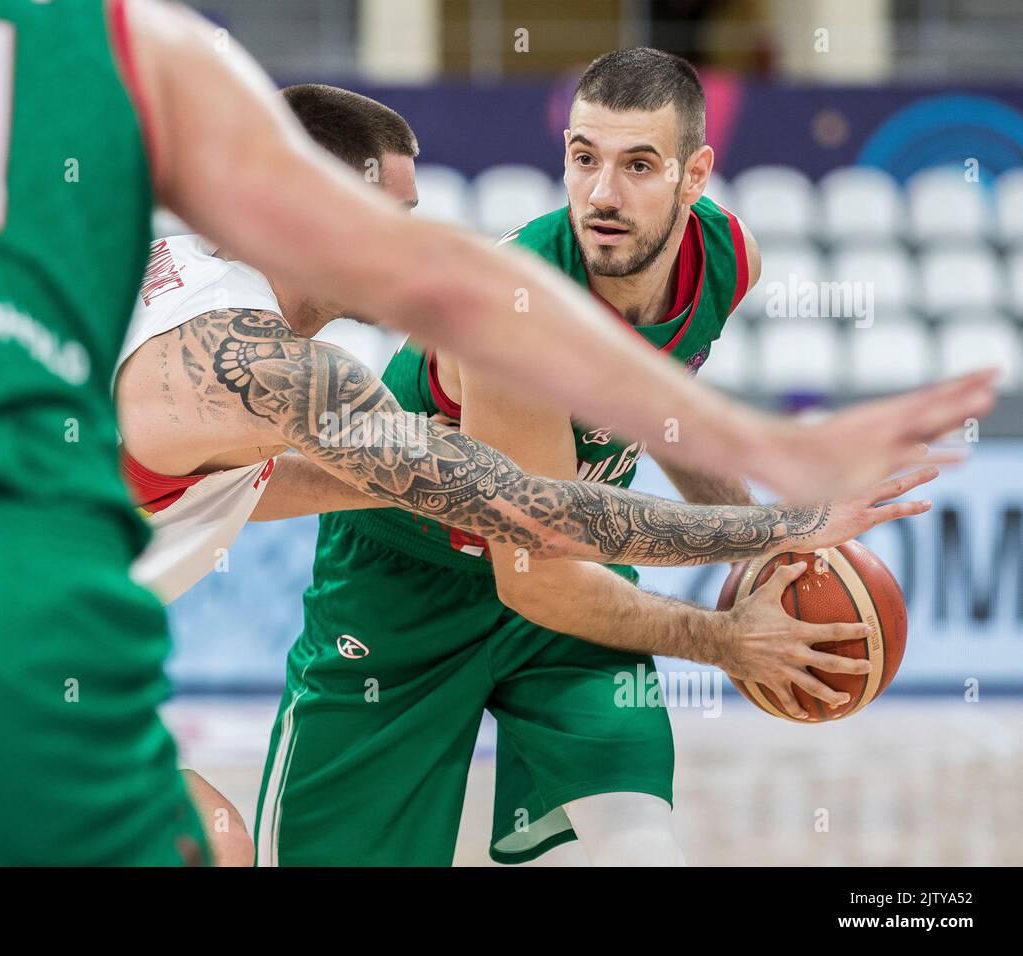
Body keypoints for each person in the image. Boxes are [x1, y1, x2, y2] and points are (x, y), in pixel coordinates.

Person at [253, 50, 939, 867]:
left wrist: (767, 545)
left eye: (639, 165)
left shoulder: (726, 259)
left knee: (640, 850)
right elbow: (539, 571)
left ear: (695, 177)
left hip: (571, 594)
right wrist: (723, 638)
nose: (603, 194)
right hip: (406, 592)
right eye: (584, 159)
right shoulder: (512, 315)